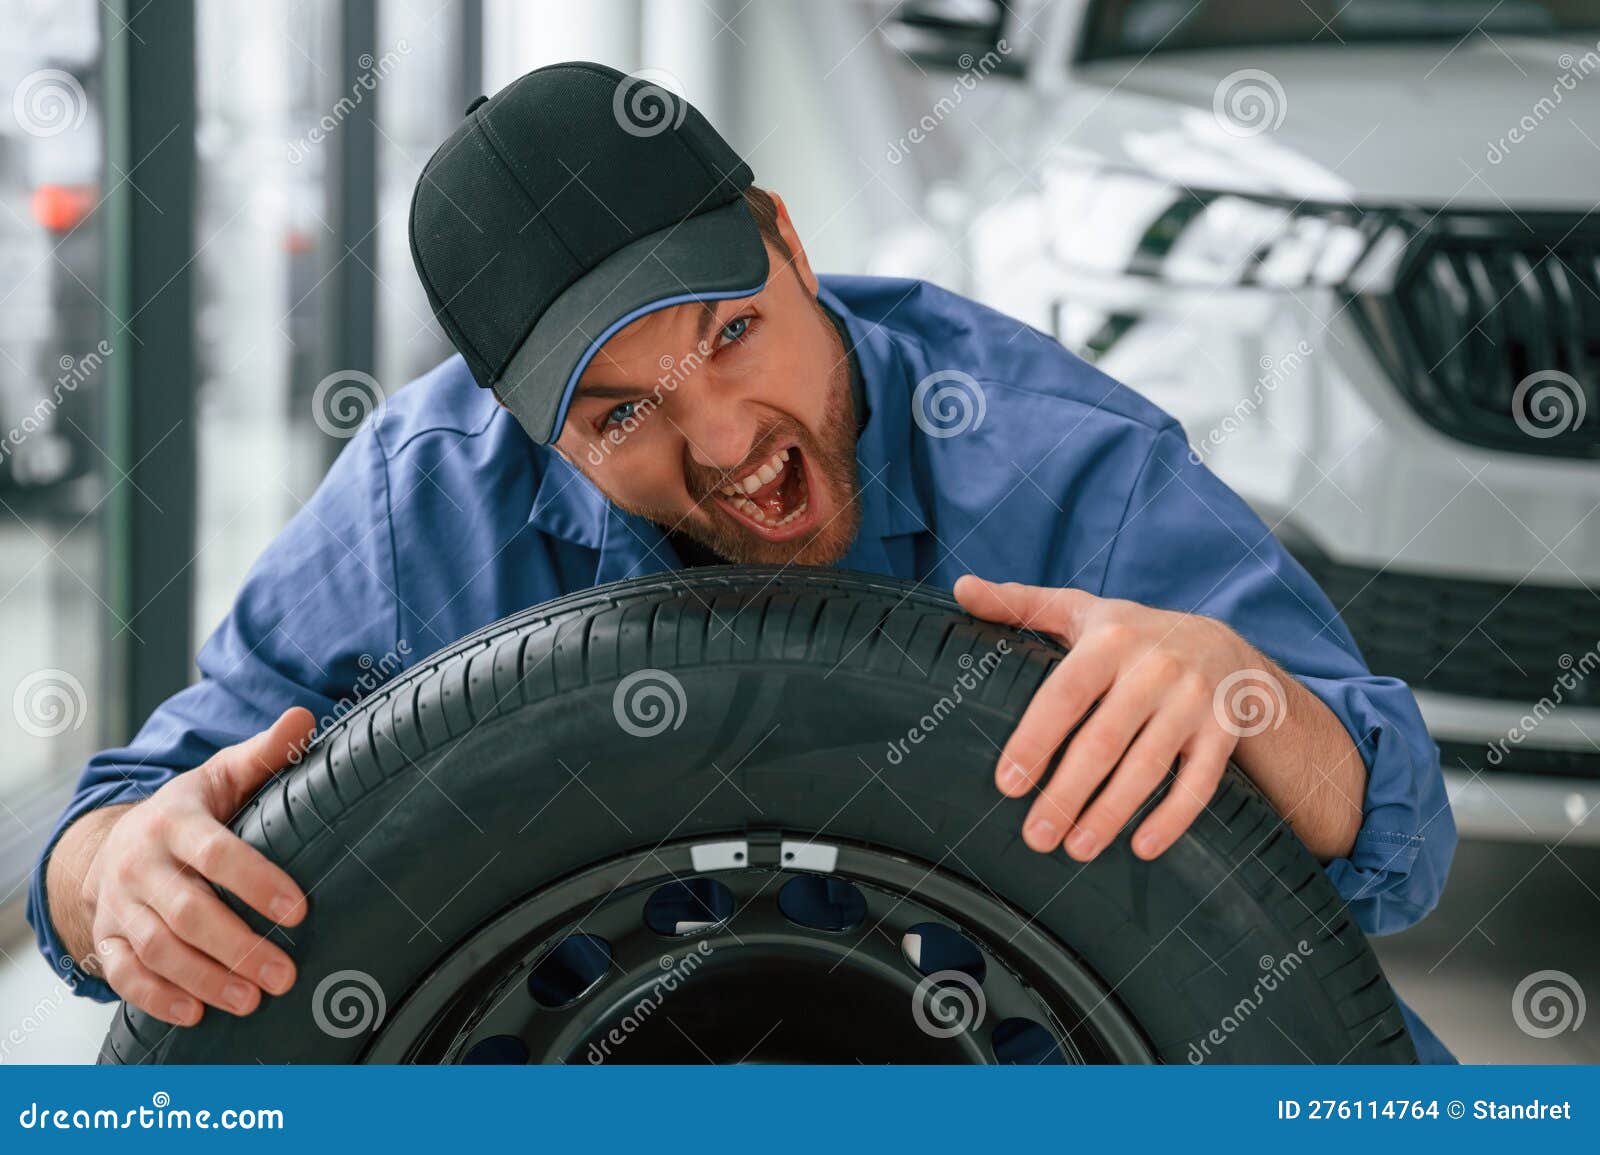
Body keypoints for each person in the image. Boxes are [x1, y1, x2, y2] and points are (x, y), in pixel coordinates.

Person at [29, 62, 1455, 1060]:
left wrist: (1251, 701)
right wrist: (121, 876)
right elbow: (118, 827)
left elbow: (1397, 844)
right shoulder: (430, 501)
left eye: (727, 331)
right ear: (524, 426)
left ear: (787, 241)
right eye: (620, 413)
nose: (724, 442)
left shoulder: (1052, 459)